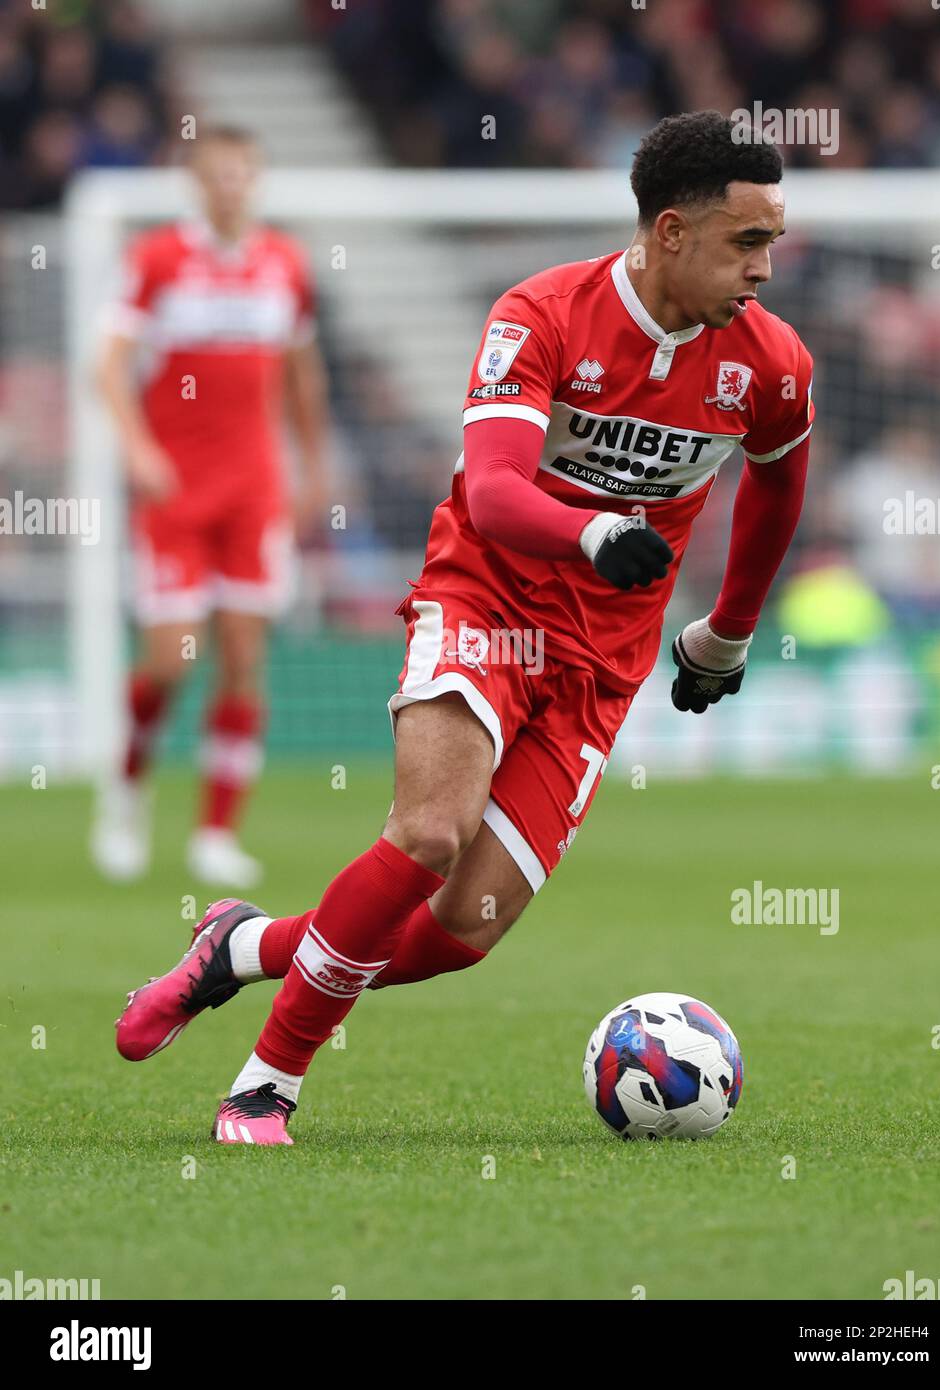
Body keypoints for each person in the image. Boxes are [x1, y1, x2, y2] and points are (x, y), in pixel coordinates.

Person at [115, 111, 813, 1145]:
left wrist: (728, 631)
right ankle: (267, 1082)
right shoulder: (541, 314)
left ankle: (240, 947)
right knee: (430, 831)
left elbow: (776, 485)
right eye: (746, 242)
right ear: (671, 232)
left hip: (601, 661)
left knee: (461, 931)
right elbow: (490, 493)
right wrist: (591, 534)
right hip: (486, 602)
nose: (764, 269)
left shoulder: (771, 363)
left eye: (773, 244)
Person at [91, 125, 330, 887]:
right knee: (170, 658)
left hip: (253, 489)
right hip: (175, 489)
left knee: (241, 655)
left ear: (255, 180)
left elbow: (301, 375)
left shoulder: (282, 264)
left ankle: (216, 834)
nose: (231, 185)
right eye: (218, 173)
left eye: (243, 173)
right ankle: (126, 788)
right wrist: (136, 447)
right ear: (196, 180)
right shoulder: (157, 259)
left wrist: (312, 467)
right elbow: (107, 366)